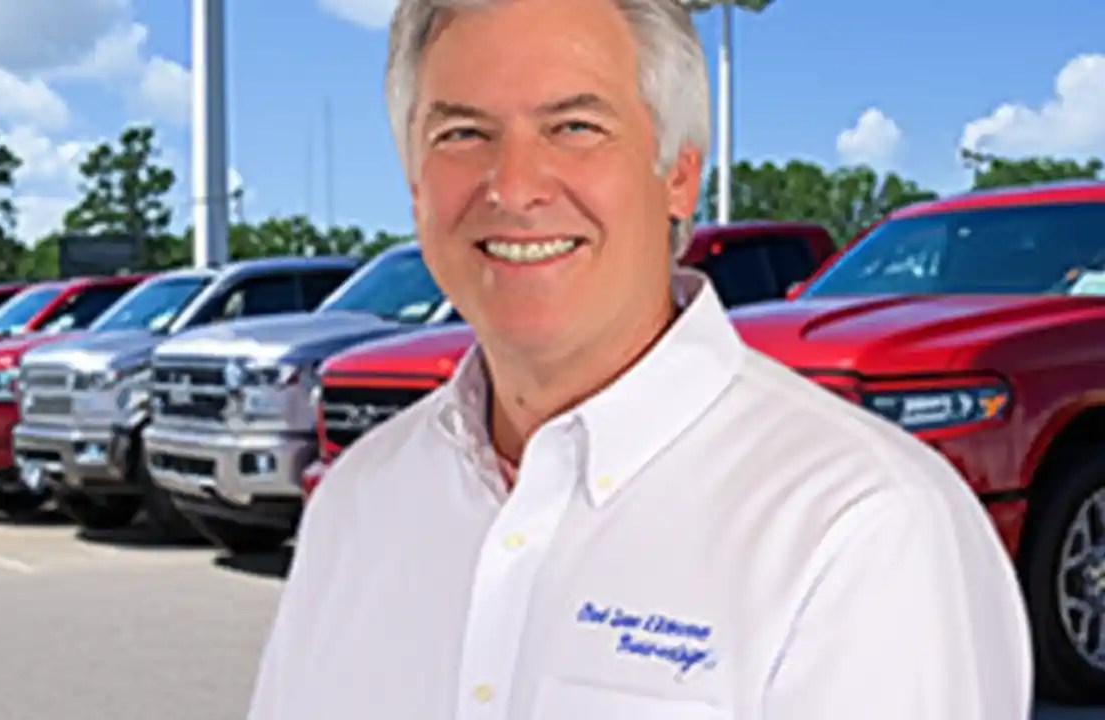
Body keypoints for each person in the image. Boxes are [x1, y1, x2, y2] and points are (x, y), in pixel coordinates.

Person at [247, 0, 1034, 717]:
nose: (514, 186)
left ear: (678, 175)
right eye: (462, 133)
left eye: (576, 127)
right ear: (416, 184)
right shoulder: (359, 502)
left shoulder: (861, 527)